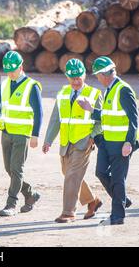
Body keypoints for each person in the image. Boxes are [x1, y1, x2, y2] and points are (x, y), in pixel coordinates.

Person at [77, 56, 139, 225]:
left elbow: (133, 119)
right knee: (101, 172)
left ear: (104, 75)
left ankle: (117, 216)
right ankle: (123, 200)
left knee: (118, 179)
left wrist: (129, 142)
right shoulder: (109, 90)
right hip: (107, 141)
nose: (97, 79)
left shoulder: (123, 90)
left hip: (121, 144)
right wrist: (91, 110)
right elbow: (107, 116)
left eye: (97, 76)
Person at [43, 59, 103, 223]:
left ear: (84, 74)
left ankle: (68, 212)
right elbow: (56, 118)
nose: (76, 81)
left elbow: (102, 120)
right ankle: (93, 201)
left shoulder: (95, 94)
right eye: (73, 78)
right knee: (68, 173)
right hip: (66, 142)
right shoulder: (62, 93)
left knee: (72, 175)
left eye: (79, 77)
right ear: (67, 77)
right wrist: (48, 140)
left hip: (84, 141)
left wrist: (92, 137)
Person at [0, 51, 43, 217]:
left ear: (21, 67)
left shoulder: (31, 86)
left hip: (22, 135)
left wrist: (35, 135)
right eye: (8, 70)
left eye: (13, 70)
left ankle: (11, 204)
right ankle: (31, 194)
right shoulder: (4, 84)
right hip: (7, 132)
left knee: (17, 170)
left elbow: (39, 113)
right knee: (9, 169)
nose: (10, 73)